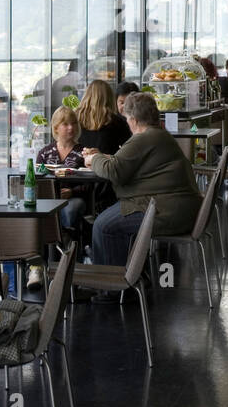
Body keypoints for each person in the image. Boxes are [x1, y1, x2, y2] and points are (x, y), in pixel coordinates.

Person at [82, 92, 202, 278]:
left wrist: (93, 158)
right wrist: (101, 157)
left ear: (134, 119)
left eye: (128, 118)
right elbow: (124, 162)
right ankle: (130, 276)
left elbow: (113, 171)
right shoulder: (158, 135)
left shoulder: (144, 137)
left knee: (103, 225)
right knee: (108, 219)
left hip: (165, 212)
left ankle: (113, 288)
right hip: (177, 208)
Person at [36, 106, 87, 234]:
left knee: (70, 209)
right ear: (56, 128)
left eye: (74, 123)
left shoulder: (84, 153)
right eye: (65, 124)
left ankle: (67, 243)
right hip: (48, 199)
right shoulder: (44, 153)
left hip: (73, 198)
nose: (71, 128)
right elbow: (37, 180)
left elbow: (91, 185)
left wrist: (72, 191)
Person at [77, 79, 132, 153]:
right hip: (106, 163)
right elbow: (128, 149)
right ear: (109, 98)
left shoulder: (76, 118)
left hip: (77, 162)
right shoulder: (115, 121)